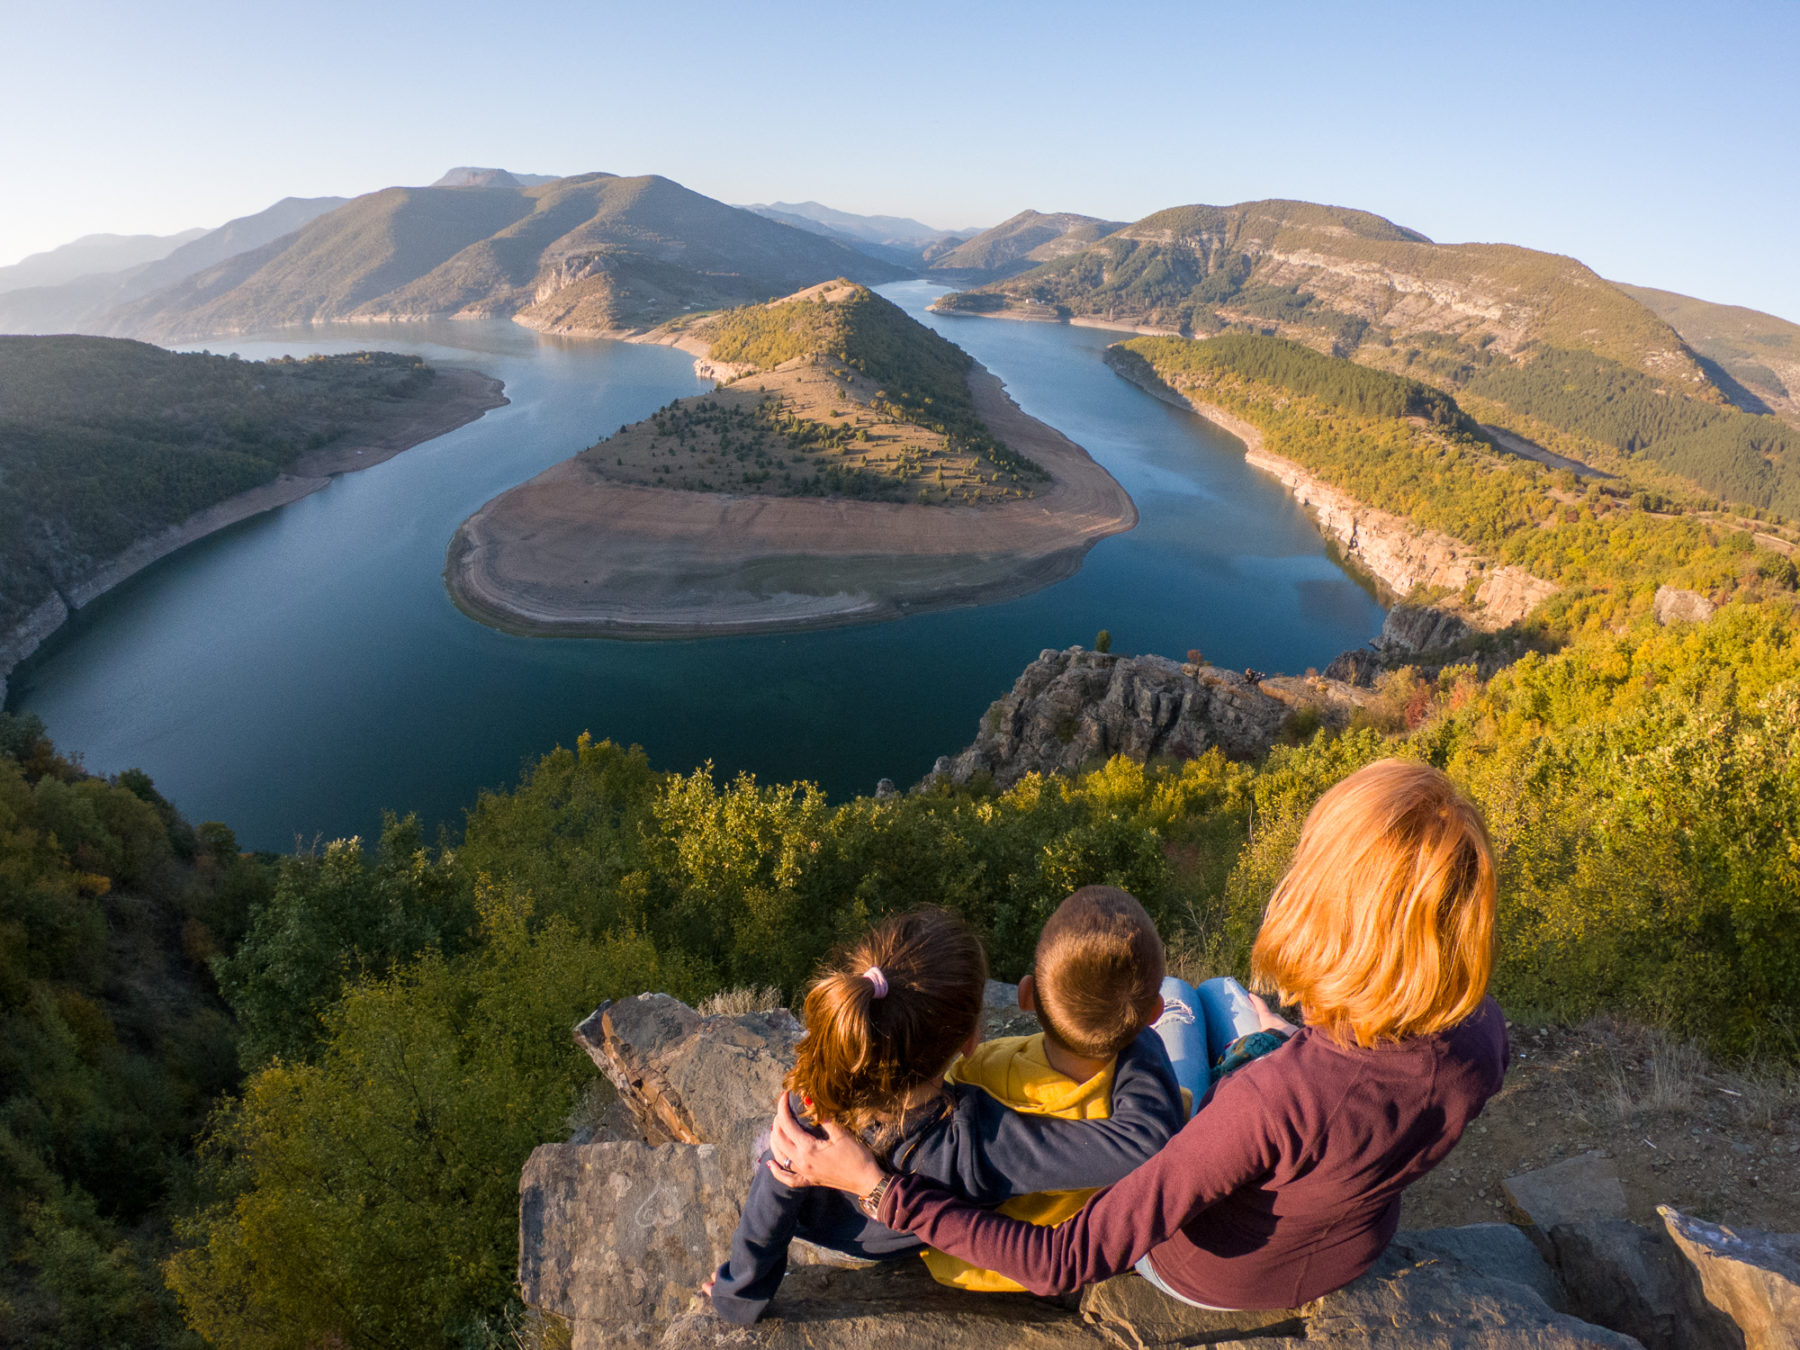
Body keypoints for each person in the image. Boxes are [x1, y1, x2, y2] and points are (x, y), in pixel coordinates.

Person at [768, 759, 1509, 1313]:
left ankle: (1194, 1011)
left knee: (1192, 999)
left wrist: (881, 1188)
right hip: (1353, 1242)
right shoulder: (1482, 1036)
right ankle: (1220, 1014)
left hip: (1212, 1272)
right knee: (1215, 999)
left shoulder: (1267, 1104)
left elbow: (1061, 1260)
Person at [704, 905, 1186, 1324]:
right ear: (969, 1041)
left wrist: (738, 1291)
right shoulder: (977, 1143)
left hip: (843, 1235)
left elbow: (771, 1196)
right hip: (909, 1240)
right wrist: (1130, 1026)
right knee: (1188, 999)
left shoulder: (815, 1096)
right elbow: (1146, 1144)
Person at [924, 885, 1175, 1291]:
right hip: (1079, 1255)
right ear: (1152, 1016)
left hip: (966, 1262)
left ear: (1026, 996)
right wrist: (1139, 1031)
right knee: (1203, 995)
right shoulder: (1143, 1098)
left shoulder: (982, 1068)